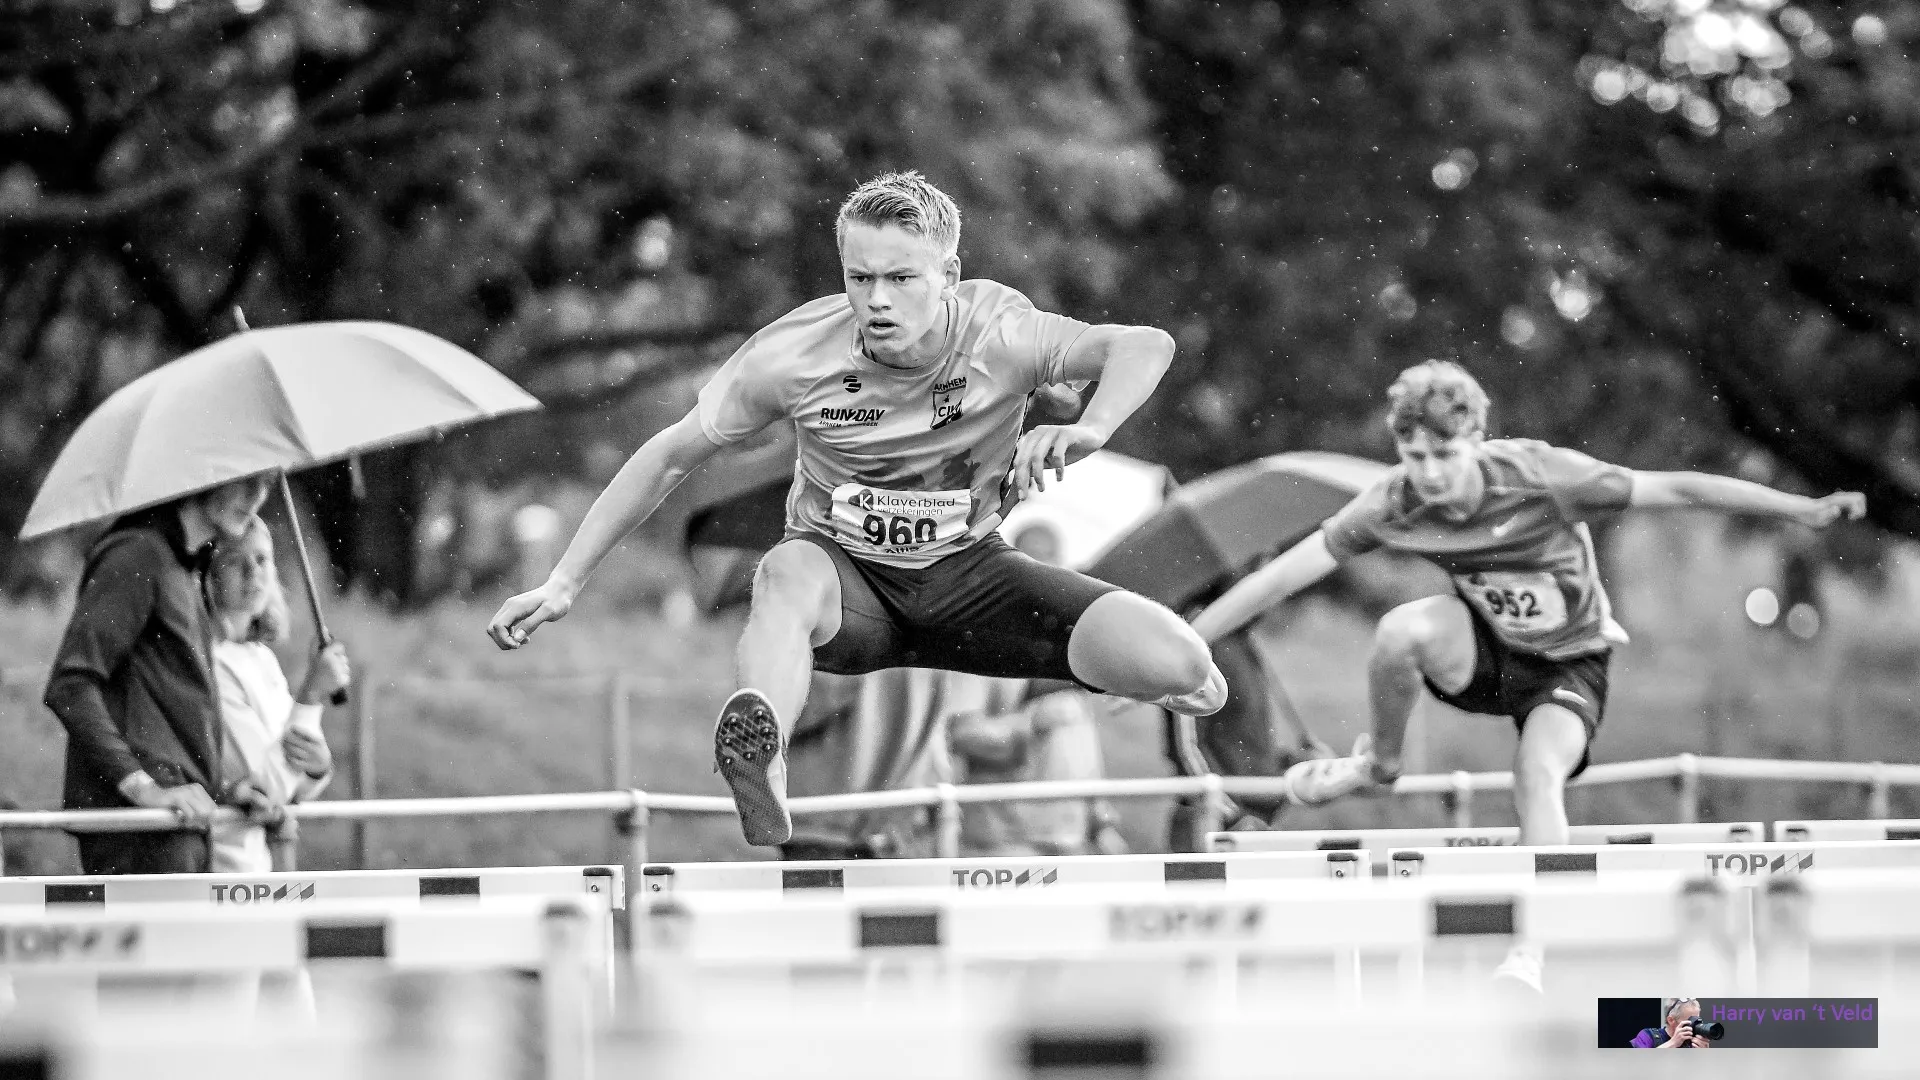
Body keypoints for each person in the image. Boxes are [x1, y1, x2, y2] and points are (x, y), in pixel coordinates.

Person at [489, 171, 1226, 846]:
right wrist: (564, 580)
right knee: (784, 571)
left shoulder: (1001, 333)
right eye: (859, 278)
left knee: (1178, 660)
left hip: (970, 579)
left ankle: (1178, 669)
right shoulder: (794, 355)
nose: (876, 300)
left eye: (901, 278)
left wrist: (1090, 426)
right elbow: (671, 454)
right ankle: (760, 760)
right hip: (849, 587)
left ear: (949, 277)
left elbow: (1144, 345)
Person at [1190, 359, 1864, 988]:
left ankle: (1535, 948)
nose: (1429, 476)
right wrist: (1183, 649)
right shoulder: (1392, 502)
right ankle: (1381, 766)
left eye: (1445, 457)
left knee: (1535, 775)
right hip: (1484, 652)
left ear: (1478, 439)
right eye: (1414, 457)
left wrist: (1796, 509)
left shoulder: (1544, 475)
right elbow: (1279, 577)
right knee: (1400, 631)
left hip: (1570, 664)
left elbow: (1681, 489)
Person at [44, 476, 273, 875]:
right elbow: (71, 685)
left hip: (178, 827)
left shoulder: (185, 564)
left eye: (267, 483)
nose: (257, 497)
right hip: (139, 831)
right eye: (246, 480)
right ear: (207, 471)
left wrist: (222, 790)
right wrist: (143, 788)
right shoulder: (137, 553)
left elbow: (163, 708)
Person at [205, 516, 350, 873]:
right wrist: (312, 695)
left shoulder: (261, 659)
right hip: (225, 869)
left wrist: (318, 767)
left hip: (264, 866)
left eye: (261, 559)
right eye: (234, 562)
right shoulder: (213, 664)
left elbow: (296, 781)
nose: (253, 573)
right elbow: (265, 788)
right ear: (209, 578)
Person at [1632, 998, 1713, 1048]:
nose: (1696, 1025)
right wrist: (1673, 1043)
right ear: (1671, 1020)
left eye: (1698, 1020)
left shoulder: (1695, 1044)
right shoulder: (1648, 1036)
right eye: (1692, 1020)